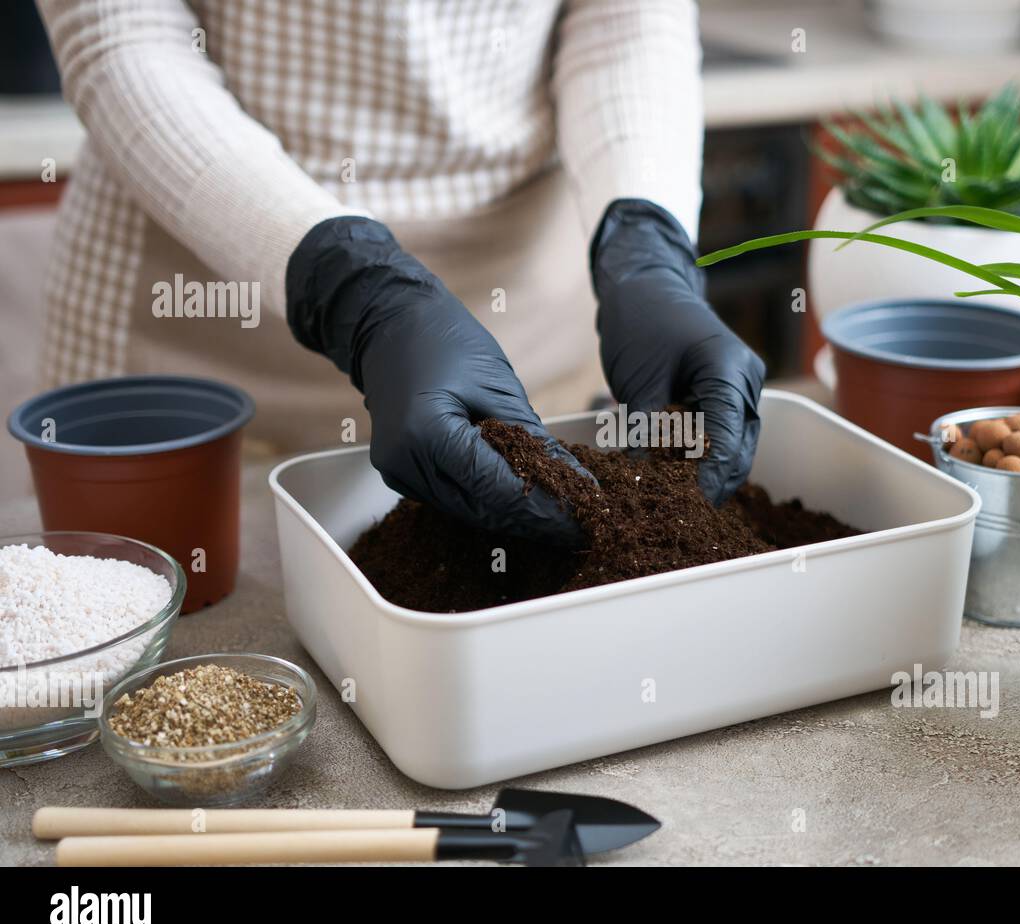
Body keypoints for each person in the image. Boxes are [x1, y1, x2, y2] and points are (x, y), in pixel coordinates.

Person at [36, 0, 764, 542]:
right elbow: (119, 32)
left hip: (526, 344)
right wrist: (353, 285)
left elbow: (626, 17)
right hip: (202, 331)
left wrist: (646, 244)